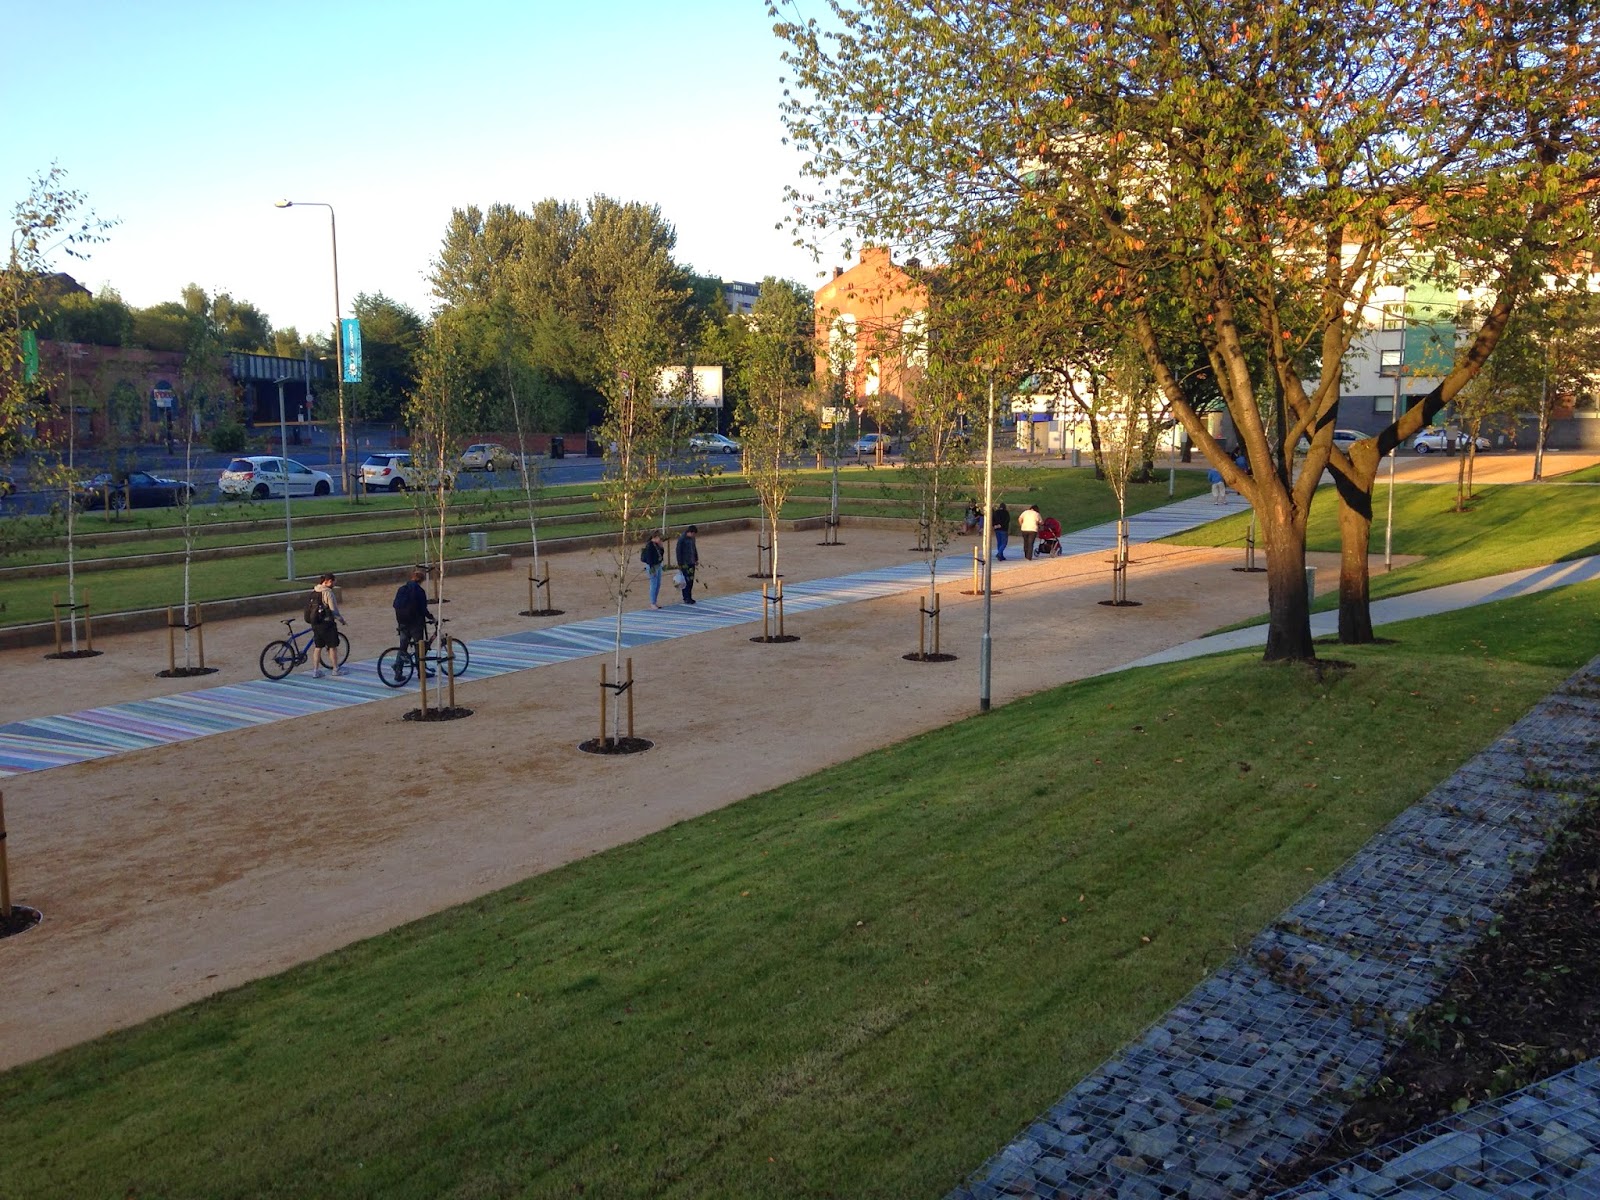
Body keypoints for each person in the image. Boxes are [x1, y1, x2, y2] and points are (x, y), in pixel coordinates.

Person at [393, 568, 433, 676]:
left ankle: (398, 670)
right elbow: (423, 609)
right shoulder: (420, 591)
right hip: (415, 623)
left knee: (403, 646)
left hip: (402, 622)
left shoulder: (401, 589)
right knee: (418, 647)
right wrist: (431, 617)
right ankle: (421, 672)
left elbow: (395, 605)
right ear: (421, 581)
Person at [307, 572, 347, 678]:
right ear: (329, 581)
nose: (334, 584)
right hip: (327, 623)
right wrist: (341, 620)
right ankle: (335, 669)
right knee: (332, 646)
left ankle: (315, 670)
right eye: (334, 582)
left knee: (318, 647)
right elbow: (333, 610)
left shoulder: (314, 591)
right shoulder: (328, 593)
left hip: (315, 623)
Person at [675, 525, 700, 604]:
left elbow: (694, 548)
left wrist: (696, 559)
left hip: (691, 562)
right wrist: (680, 564)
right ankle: (686, 597)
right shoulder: (682, 539)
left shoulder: (692, 538)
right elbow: (678, 552)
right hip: (685, 563)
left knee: (691, 580)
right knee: (686, 581)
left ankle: (689, 596)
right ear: (690, 532)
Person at [641, 532, 666, 609]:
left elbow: (661, 555)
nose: (660, 540)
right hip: (652, 566)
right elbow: (649, 559)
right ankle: (652, 603)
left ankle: (655, 601)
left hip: (658, 565)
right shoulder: (650, 546)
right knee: (654, 584)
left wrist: (661, 547)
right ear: (654, 537)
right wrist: (652, 569)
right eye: (659, 538)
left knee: (658, 584)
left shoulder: (657, 545)